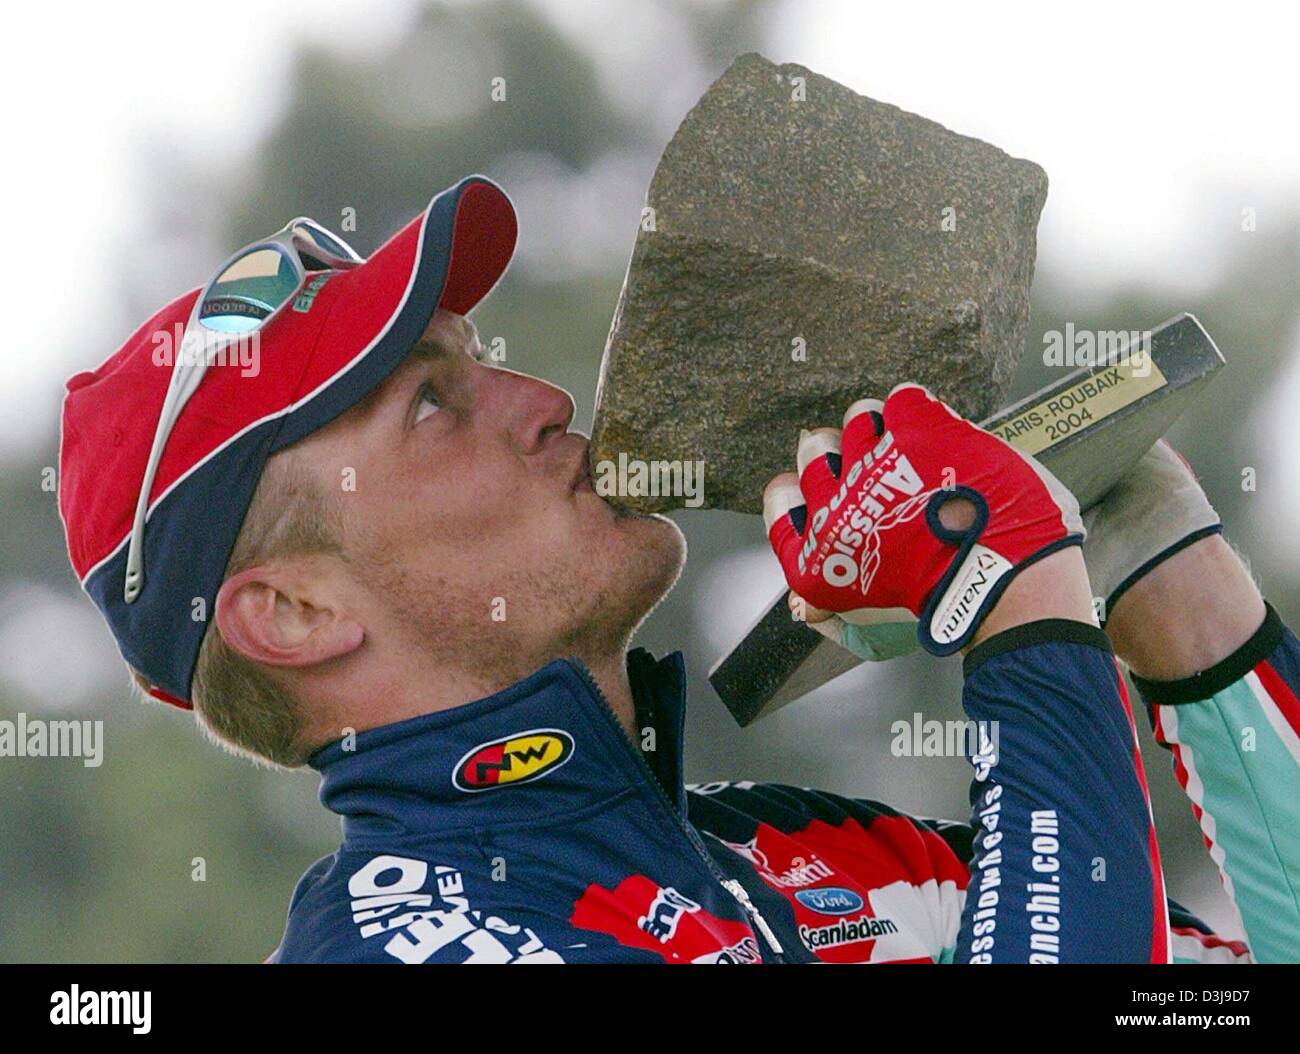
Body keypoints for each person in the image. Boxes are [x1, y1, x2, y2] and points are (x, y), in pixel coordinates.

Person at [59, 176, 1299, 963]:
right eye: (433, 404)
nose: (541, 396)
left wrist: (1183, 607)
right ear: (293, 610)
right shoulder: (403, 950)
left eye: (474, 351)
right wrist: (1019, 609)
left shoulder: (832, 858)